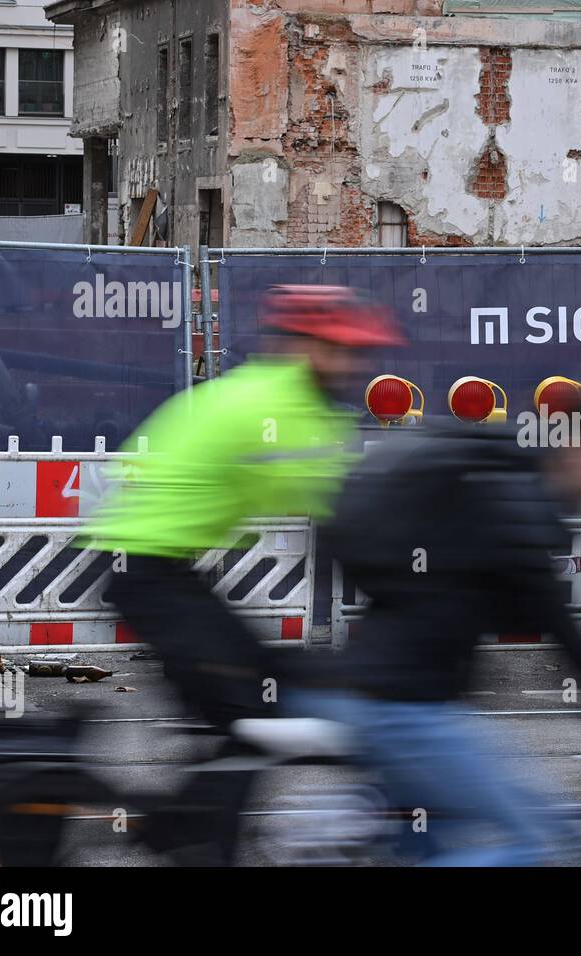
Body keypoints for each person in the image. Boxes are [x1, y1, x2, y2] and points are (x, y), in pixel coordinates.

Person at [301, 396, 581, 866]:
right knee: (539, 845)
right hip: (412, 713)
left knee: (431, 839)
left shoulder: (500, 487)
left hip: (393, 698)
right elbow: (578, 653)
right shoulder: (516, 507)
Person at [83, 284, 403, 863]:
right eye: (343, 350)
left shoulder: (259, 391)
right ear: (307, 348)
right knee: (251, 714)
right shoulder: (285, 409)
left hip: (160, 568)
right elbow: (347, 527)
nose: (354, 364)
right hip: (150, 571)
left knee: (253, 708)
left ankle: (177, 833)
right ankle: (193, 843)